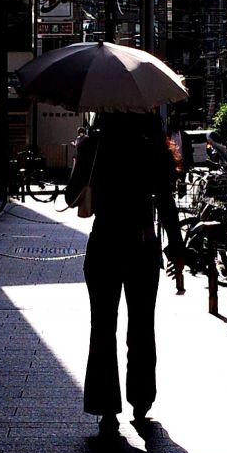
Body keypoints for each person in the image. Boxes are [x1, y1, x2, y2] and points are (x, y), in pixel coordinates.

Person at [75, 109, 185, 435]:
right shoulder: (152, 143)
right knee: (141, 326)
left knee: (103, 328)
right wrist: (176, 249)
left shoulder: (96, 142)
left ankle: (107, 407)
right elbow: (166, 202)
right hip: (141, 245)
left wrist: (83, 153)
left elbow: (71, 197)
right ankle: (141, 400)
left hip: (104, 243)